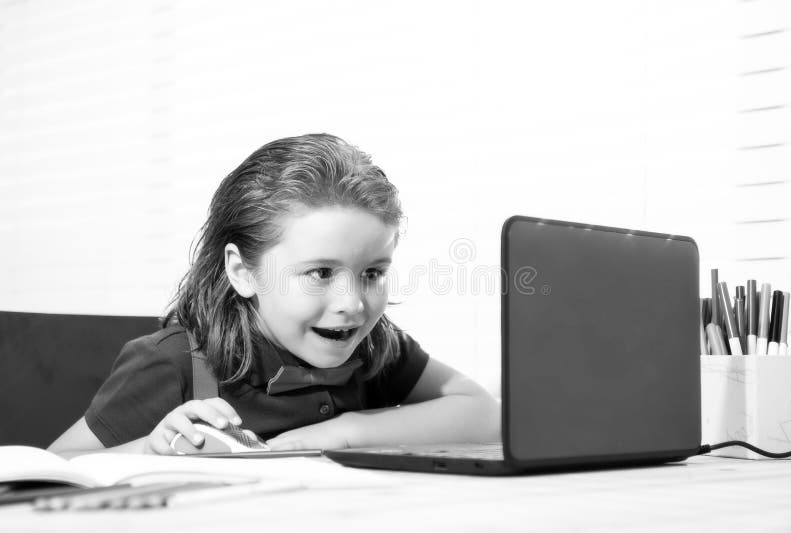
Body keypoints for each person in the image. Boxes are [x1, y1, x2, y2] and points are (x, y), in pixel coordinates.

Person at [48, 133, 500, 457]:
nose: (354, 303)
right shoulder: (173, 362)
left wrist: (347, 431)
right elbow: (54, 466)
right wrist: (149, 449)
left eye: (372, 273)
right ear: (243, 271)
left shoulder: (374, 345)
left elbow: (485, 414)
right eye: (321, 272)